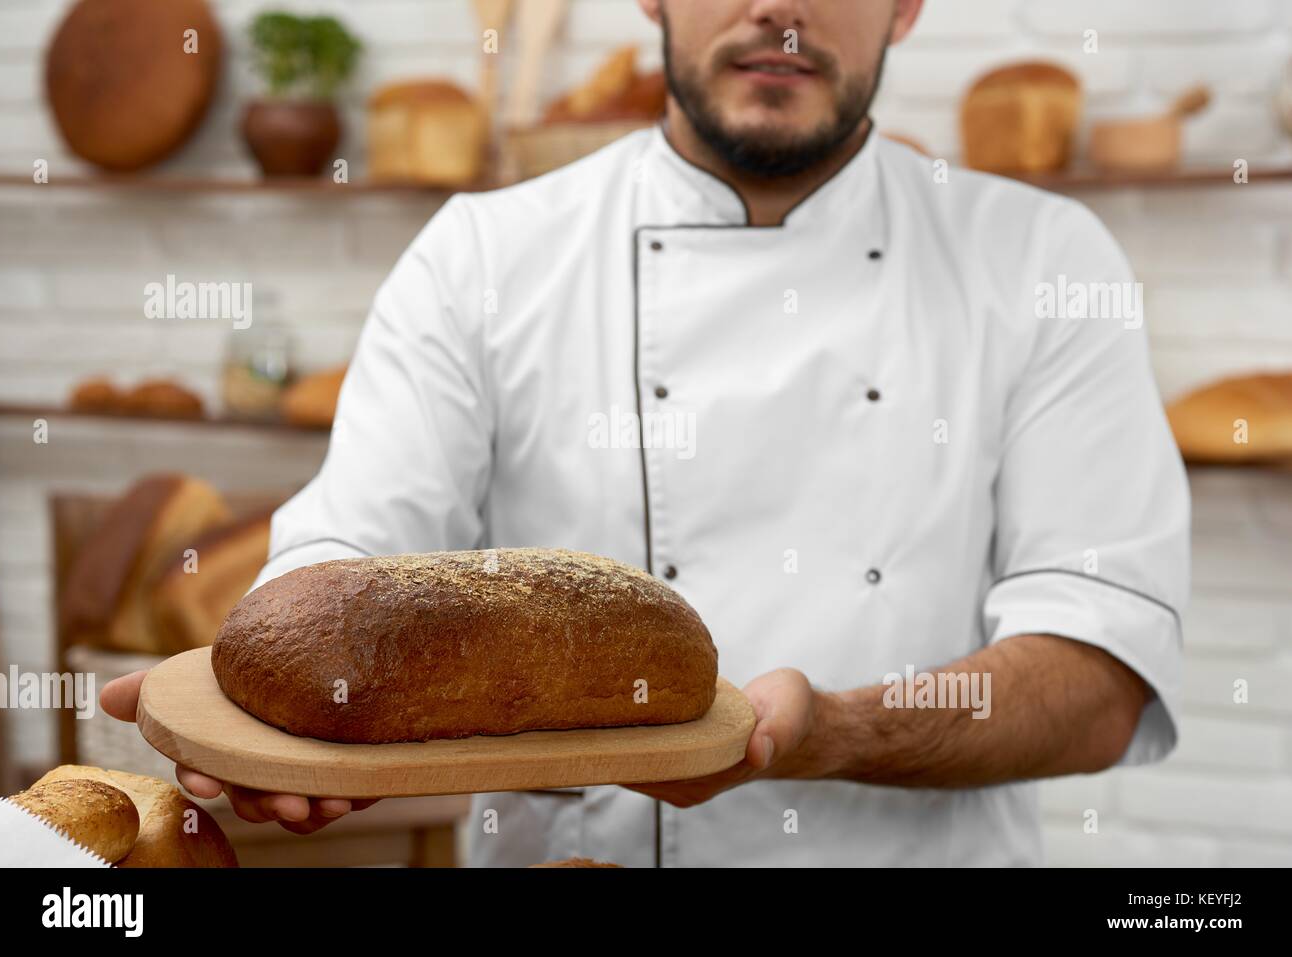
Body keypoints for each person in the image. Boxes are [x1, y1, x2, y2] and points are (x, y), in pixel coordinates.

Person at [103, 0, 1189, 866]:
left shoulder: (1043, 260)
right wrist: (288, 726)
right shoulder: (483, 254)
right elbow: (351, 548)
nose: (777, 10)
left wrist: (831, 735)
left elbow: (1100, 676)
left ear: (906, 5)